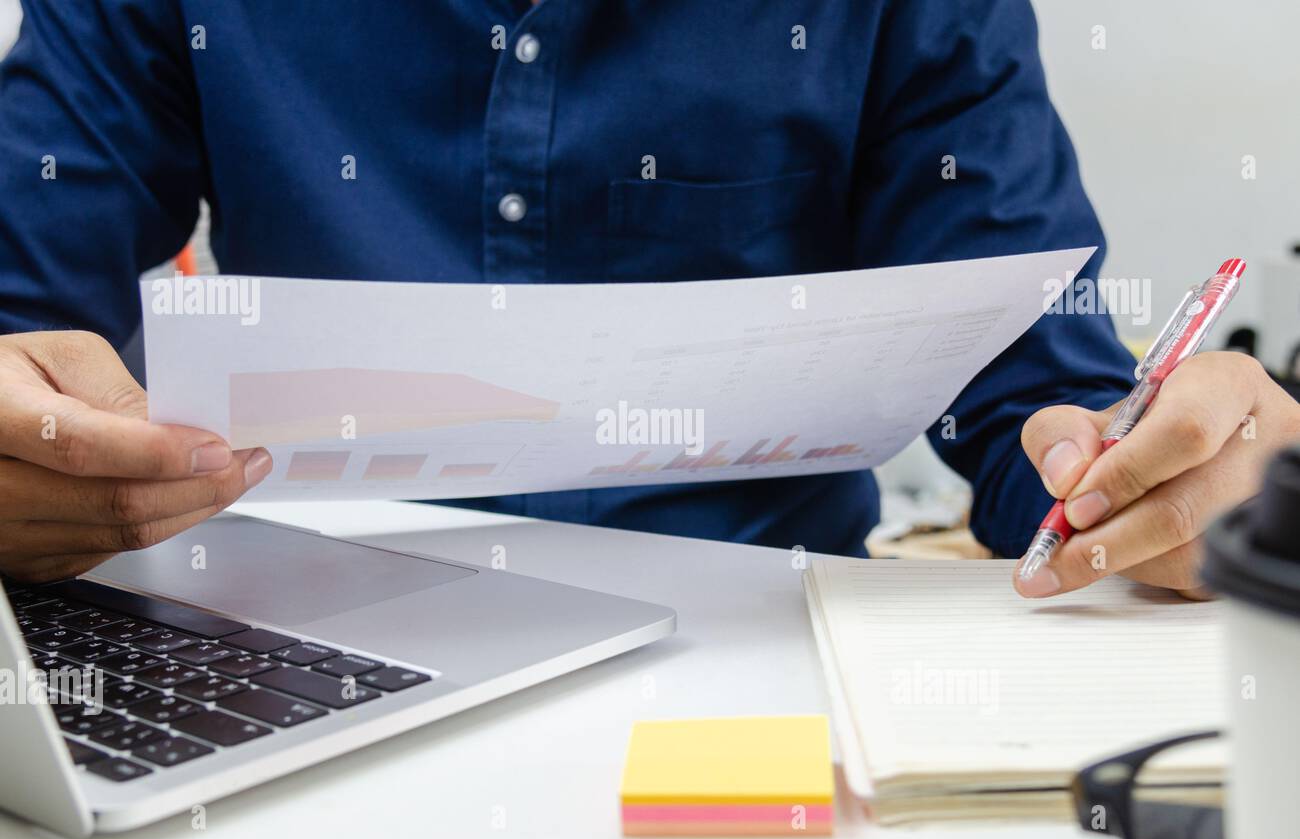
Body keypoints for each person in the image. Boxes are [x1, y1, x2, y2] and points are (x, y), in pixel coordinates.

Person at [1, 1, 1296, 598]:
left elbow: (1035, 401)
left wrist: (1157, 483)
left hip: (758, 662)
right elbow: (17, 313)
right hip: (295, 639)